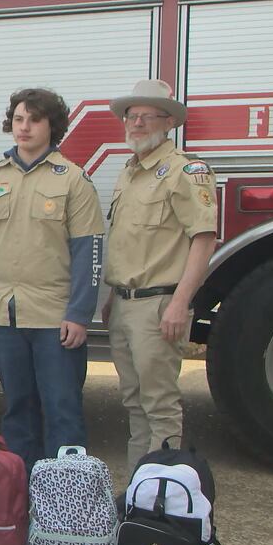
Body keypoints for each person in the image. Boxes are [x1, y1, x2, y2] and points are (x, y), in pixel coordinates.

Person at [0, 88, 105, 471]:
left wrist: (79, 313)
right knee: (17, 408)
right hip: (3, 317)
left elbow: (89, 252)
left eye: (34, 120)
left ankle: (61, 504)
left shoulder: (73, 180)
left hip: (55, 319)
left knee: (62, 410)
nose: (24, 128)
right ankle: (21, 495)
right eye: (19, 119)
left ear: (51, 126)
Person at [102, 79, 218, 468]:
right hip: (123, 304)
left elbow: (203, 240)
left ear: (168, 122)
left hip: (158, 306)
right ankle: (140, 489)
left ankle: (161, 498)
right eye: (130, 117)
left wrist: (180, 304)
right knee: (135, 404)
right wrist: (110, 298)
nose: (134, 124)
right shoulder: (129, 172)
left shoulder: (185, 171)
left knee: (160, 406)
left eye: (145, 117)